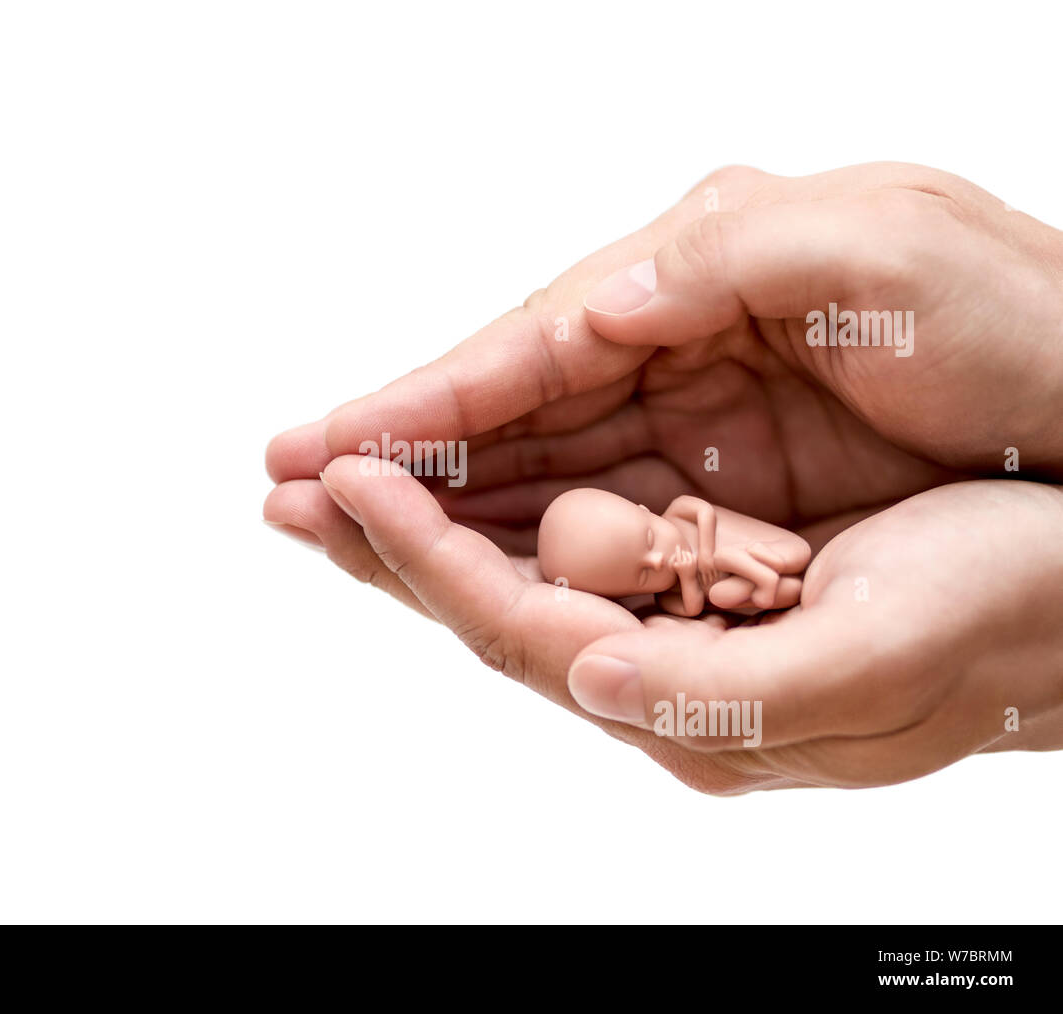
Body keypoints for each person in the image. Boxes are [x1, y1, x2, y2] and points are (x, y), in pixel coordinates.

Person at [262, 162, 1063, 793]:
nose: (658, 562)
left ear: (647, 513)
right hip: (727, 562)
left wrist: (701, 548)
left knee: (770, 563)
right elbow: (691, 585)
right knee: (767, 583)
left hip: (733, 542)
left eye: (646, 541)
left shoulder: (685, 519)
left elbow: (711, 538)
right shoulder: (665, 578)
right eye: (641, 576)